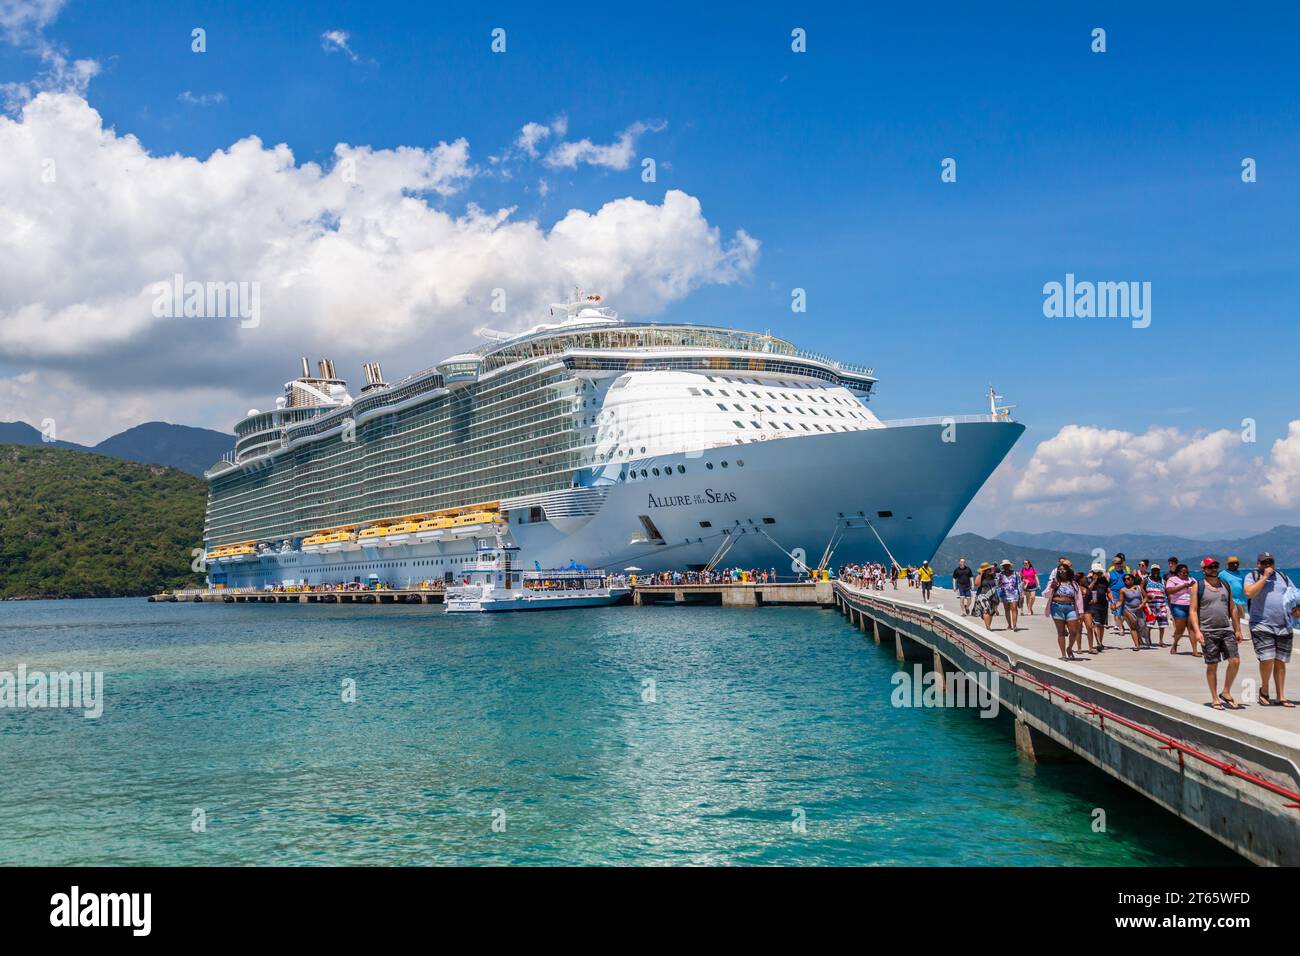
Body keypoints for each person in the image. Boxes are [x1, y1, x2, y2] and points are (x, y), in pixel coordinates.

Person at [1190, 558, 1242, 710]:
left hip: (1226, 629)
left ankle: (1226, 692)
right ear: (1203, 569)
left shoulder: (1225, 585)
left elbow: (1232, 608)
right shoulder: (1197, 587)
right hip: (1208, 631)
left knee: (1235, 661)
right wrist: (1197, 631)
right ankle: (1214, 698)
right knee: (1212, 665)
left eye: (1216, 566)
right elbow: (1193, 610)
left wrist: (1237, 629)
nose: (1214, 569)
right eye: (1210, 567)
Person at [1243, 552, 1294, 707]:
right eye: (1264, 562)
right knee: (1267, 658)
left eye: (1270, 562)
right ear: (1258, 563)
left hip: (1283, 624)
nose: (1267, 565)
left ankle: (1281, 696)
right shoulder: (1252, 576)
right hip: (1261, 624)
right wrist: (1264, 577)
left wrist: (1297, 608)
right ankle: (1264, 689)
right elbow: (1249, 593)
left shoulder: (1283, 577)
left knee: (1280, 661)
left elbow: (1293, 594)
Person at [1043, 565, 1084, 660]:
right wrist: (1052, 587)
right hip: (1057, 607)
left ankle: (1069, 648)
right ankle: (1063, 655)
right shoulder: (1054, 582)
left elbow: (1079, 598)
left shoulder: (1073, 583)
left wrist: (1081, 612)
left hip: (1071, 607)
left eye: (1063, 569)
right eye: (1059, 570)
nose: (1061, 571)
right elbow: (1045, 594)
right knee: (1061, 632)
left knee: (1074, 632)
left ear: (1067, 571)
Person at [1166, 562, 1197, 655]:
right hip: (1178, 606)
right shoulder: (1172, 579)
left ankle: (1195, 650)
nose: (1186, 574)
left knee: (1192, 628)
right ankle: (1175, 644)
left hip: (1191, 606)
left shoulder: (1192, 579)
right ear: (1178, 573)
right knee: (1180, 629)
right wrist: (1184, 586)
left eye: (1187, 572)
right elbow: (1169, 591)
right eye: (1183, 573)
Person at [1117, 573, 1151, 649]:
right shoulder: (1123, 590)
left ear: (1132, 579)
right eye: (1125, 579)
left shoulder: (1139, 587)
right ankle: (1137, 645)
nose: (1126, 580)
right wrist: (1115, 606)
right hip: (1128, 610)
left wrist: (1142, 604)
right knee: (1133, 627)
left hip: (1139, 609)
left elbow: (1146, 597)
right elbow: (1120, 601)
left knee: (1142, 626)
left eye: (1128, 578)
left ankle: (1141, 640)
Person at [1083, 562, 1110, 653]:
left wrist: (1113, 601)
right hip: (1093, 605)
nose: (1098, 574)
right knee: (1096, 624)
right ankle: (1098, 642)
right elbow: (1087, 590)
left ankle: (1100, 642)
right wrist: (1094, 581)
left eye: (1099, 572)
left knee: (1101, 625)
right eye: (1096, 572)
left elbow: (1108, 590)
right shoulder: (1088, 580)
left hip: (1103, 604)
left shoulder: (1104, 580)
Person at [1144, 565, 1169, 646]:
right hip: (1150, 607)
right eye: (1154, 570)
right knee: (1149, 624)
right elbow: (1141, 588)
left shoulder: (1162, 581)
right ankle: (1148, 639)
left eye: (1157, 570)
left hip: (1161, 606)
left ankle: (1161, 641)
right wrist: (1146, 597)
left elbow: (1167, 591)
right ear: (1151, 571)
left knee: (1162, 625)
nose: (1155, 572)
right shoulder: (1146, 580)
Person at [971, 562, 999, 631]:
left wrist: (993, 573)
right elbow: (977, 584)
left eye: (987, 569)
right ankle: (988, 627)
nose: (987, 571)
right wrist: (981, 574)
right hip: (982, 595)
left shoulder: (992, 575)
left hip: (992, 594)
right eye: (985, 570)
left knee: (991, 611)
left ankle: (988, 625)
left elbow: (997, 583)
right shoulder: (980, 576)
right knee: (986, 610)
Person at [996, 559, 1021, 631]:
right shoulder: (1001, 574)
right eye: (1004, 566)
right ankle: (1009, 625)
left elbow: (1019, 583)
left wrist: (1021, 594)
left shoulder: (1015, 573)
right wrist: (1000, 579)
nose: (1005, 567)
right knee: (1007, 610)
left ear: (1010, 566)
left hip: (1014, 593)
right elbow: (998, 585)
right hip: (1005, 593)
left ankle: (1015, 625)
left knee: (1014, 608)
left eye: (1007, 565)